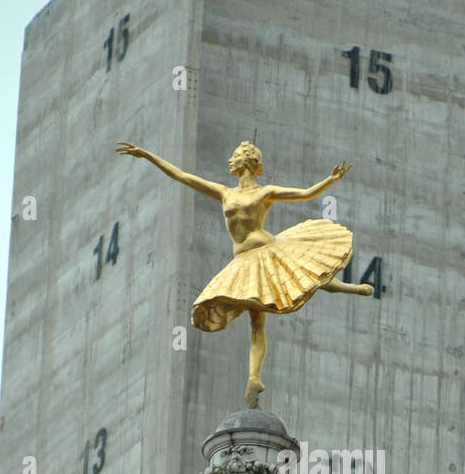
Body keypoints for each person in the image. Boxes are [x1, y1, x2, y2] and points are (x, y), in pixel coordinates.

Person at [116, 138, 372, 405]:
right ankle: (253, 378)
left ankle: (349, 288)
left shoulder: (265, 192)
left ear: (249, 161)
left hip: (265, 250)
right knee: (257, 320)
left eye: (236, 155)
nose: (231, 160)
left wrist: (329, 181)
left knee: (305, 274)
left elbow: (305, 194)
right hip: (243, 260)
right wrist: (147, 155)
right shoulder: (224, 192)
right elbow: (182, 176)